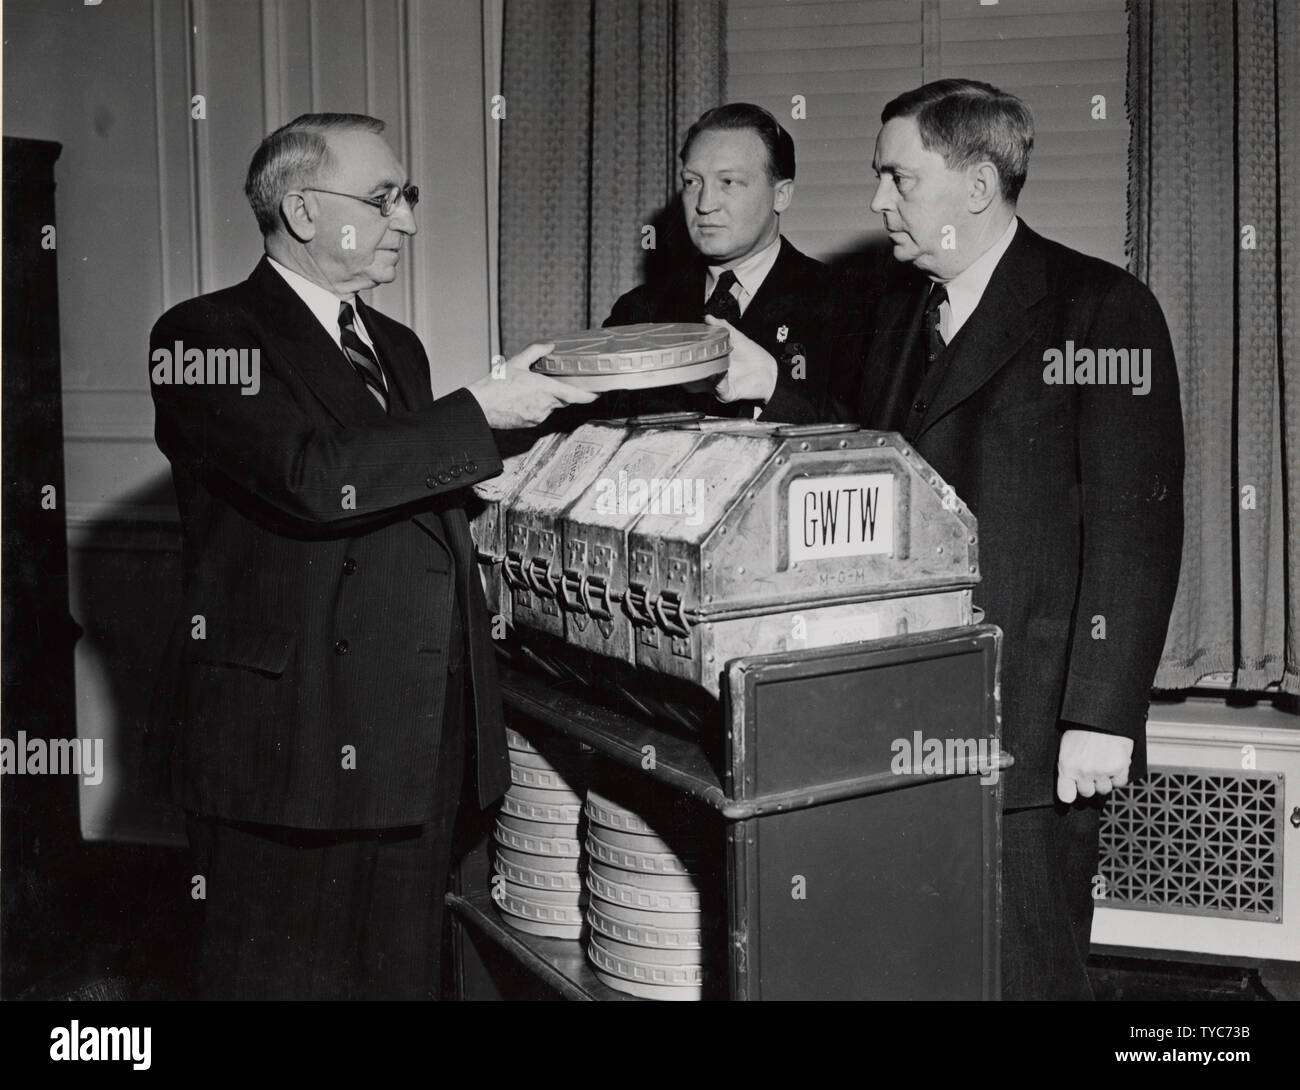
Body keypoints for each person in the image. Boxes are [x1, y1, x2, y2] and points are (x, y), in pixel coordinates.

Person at [147, 112, 594, 1000]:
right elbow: (312, 479)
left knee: (400, 981)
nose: (409, 221)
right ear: (305, 210)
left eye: (409, 197)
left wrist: (521, 455)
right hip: (296, 748)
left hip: (417, 735)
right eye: (385, 199)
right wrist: (480, 411)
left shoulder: (397, 346)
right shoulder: (202, 337)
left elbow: (394, 496)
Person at [834, 80, 1184, 999]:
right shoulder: (902, 313)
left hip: (1029, 728)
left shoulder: (1101, 310)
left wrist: (1101, 714)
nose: (877, 202)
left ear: (978, 185)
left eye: (898, 179)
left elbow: (1136, 523)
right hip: (901, 718)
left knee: (1027, 967)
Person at [603, 102, 863, 423]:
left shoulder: (848, 305)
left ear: (781, 195)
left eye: (728, 182)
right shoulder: (638, 312)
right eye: (692, 182)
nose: (704, 204)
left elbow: (865, 436)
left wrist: (776, 391)